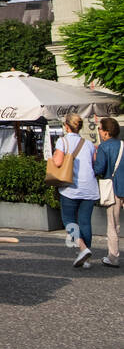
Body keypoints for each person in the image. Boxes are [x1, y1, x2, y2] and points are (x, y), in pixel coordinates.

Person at [52, 113, 97, 268]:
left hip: (70, 188)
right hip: (90, 187)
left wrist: (52, 157)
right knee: (85, 222)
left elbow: (57, 163)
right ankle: (86, 259)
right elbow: (94, 163)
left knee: (68, 220)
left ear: (66, 125)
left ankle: (83, 249)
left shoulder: (62, 141)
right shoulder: (89, 143)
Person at [92, 115, 124, 267]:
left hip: (114, 190)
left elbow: (99, 169)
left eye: (99, 129)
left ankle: (113, 258)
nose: (98, 132)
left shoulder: (104, 147)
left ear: (106, 132)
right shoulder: (123, 145)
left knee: (113, 225)